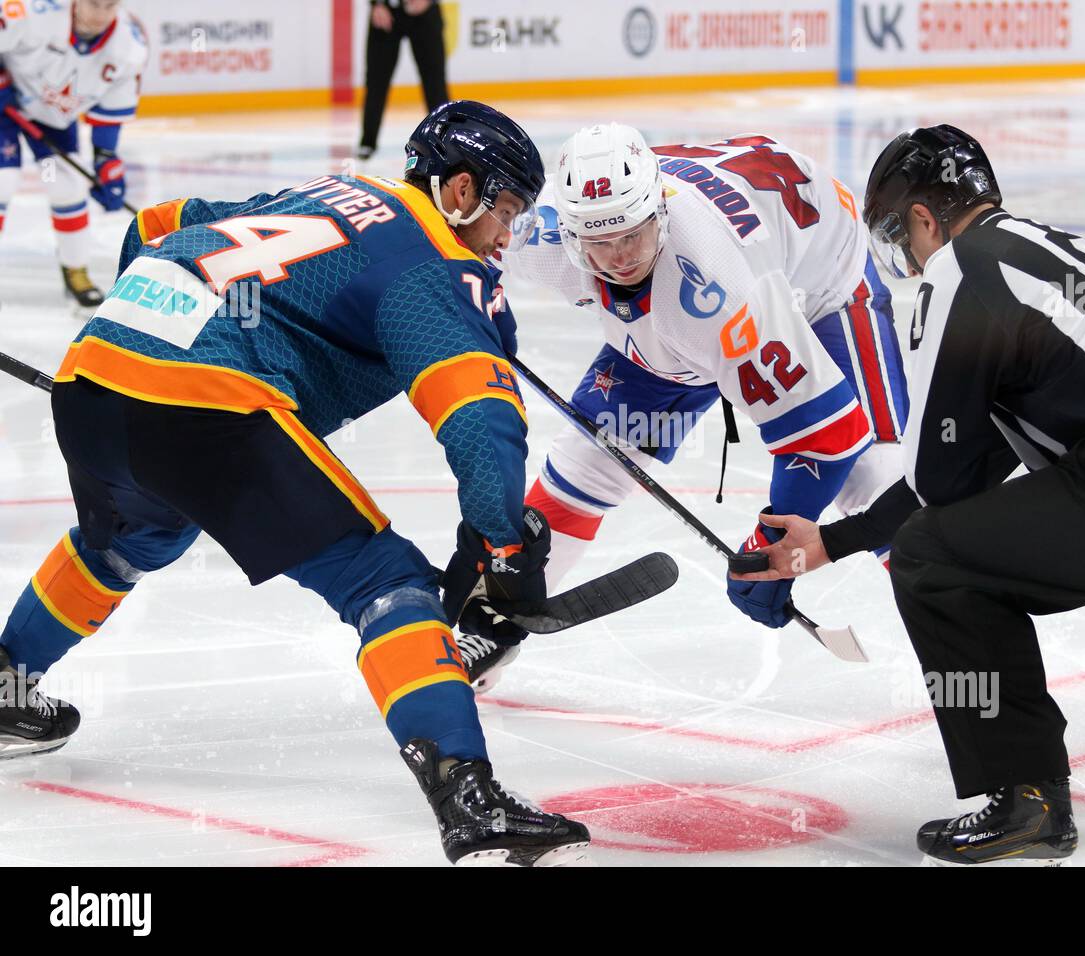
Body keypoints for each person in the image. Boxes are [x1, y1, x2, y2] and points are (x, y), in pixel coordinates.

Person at [0, 100, 591, 867]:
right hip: (204, 405)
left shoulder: (324, 192)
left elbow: (159, 223)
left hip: (94, 379)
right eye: (505, 209)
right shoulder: (435, 264)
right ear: (460, 190)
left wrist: (138, 347)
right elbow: (481, 423)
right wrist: (505, 547)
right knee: (387, 581)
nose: (507, 236)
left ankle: (6, 688)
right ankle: (470, 805)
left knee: (129, 539)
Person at [733, 124, 1085, 865]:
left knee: (934, 559)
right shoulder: (1059, 253)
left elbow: (944, 482)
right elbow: (1005, 450)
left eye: (900, 236)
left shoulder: (963, 272)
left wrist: (870, 531)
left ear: (925, 220)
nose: (905, 257)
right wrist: (833, 542)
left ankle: (1026, 795)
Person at [461, 123, 907, 689]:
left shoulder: (715, 288)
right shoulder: (538, 233)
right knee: (586, 465)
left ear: (660, 212)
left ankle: (967, 648)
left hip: (821, 282)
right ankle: (496, 623)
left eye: (632, 234)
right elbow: (456, 243)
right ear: (569, 234)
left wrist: (770, 552)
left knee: (877, 480)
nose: (620, 257)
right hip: (684, 315)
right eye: (599, 241)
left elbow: (824, 437)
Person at [0, 0, 147, 307]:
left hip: (53, 117)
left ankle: (76, 271)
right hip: (6, 102)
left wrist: (106, 162)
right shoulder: (33, 12)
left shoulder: (129, 46)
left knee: (68, 185)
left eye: (110, 6)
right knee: (4, 179)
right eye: (94, 4)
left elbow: (108, 120)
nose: (101, 15)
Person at [358, 0, 448, 161]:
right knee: (376, 81)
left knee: (435, 83)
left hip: (425, 11)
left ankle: (444, 140)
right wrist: (377, 4)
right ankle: (368, 141)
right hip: (387, 8)